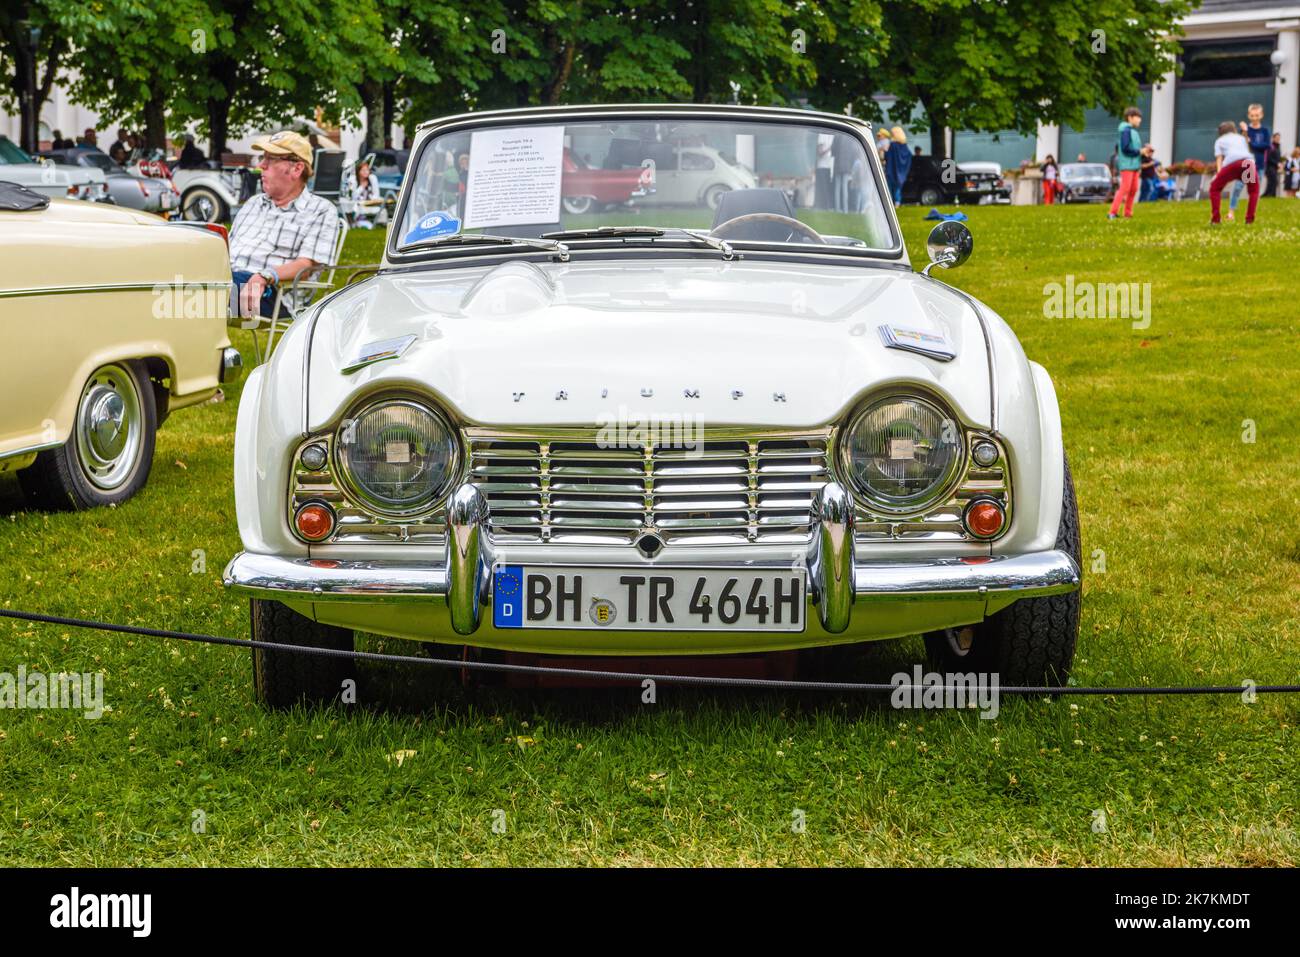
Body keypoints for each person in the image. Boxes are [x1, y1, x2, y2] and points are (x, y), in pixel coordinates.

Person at [227, 130, 340, 321]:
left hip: (273, 293)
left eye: (270, 160)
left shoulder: (320, 210)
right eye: (263, 158)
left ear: (297, 169)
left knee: (187, 297)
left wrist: (264, 276)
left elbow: (306, 267)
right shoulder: (254, 203)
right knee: (173, 282)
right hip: (228, 281)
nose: (261, 165)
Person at [1209, 120, 1258, 225]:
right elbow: (1247, 149)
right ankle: (1249, 220)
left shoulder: (1219, 140)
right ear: (1234, 129)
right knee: (1253, 191)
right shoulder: (1240, 138)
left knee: (1215, 188)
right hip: (1248, 163)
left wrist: (1218, 174)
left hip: (1233, 164)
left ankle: (1216, 219)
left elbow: (1219, 158)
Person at [1108, 106, 1143, 220]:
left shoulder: (1134, 132)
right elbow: (1125, 148)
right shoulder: (1125, 131)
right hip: (1127, 165)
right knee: (1125, 188)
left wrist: (1144, 152)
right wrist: (1139, 151)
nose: (1140, 120)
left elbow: (1135, 148)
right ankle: (1112, 212)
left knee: (1133, 189)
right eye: (1138, 117)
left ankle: (1128, 213)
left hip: (1135, 165)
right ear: (1130, 118)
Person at [348, 159, 382, 228]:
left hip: (370, 203)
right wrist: (362, 187)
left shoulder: (372, 178)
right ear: (358, 171)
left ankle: (380, 224)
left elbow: (376, 194)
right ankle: (357, 222)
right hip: (357, 205)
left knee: (382, 209)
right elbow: (353, 197)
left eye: (367, 170)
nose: (366, 172)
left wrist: (371, 200)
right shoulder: (353, 180)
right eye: (363, 170)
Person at [885, 127, 911, 206]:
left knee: (890, 187)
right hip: (901, 171)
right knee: (898, 187)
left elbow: (888, 156)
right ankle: (897, 202)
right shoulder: (904, 146)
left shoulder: (893, 145)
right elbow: (909, 155)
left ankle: (890, 203)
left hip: (892, 169)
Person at [1266, 132, 1282, 197]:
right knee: (1273, 181)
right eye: (1277, 138)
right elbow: (1268, 158)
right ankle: (1270, 195)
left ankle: (1270, 195)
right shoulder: (1271, 146)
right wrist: (1277, 163)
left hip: (1275, 167)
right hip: (1270, 167)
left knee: (1274, 182)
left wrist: (1280, 163)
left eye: (1279, 138)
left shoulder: (1278, 146)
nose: (1278, 139)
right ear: (1273, 138)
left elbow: (1278, 157)